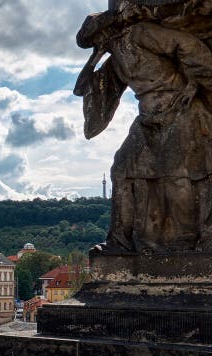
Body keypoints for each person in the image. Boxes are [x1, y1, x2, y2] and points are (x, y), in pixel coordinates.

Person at [75, 1, 212, 253]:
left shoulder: (139, 34)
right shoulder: (114, 56)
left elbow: (189, 45)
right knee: (122, 169)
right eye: (94, 40)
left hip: (180, 111)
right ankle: (120, 242)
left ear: (107, 28)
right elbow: (90, 93)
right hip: (148, 117)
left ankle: (190, 242)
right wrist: (94, 61)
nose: (97, 41)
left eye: (97, 35)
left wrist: (195, 82)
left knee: (180, 177)